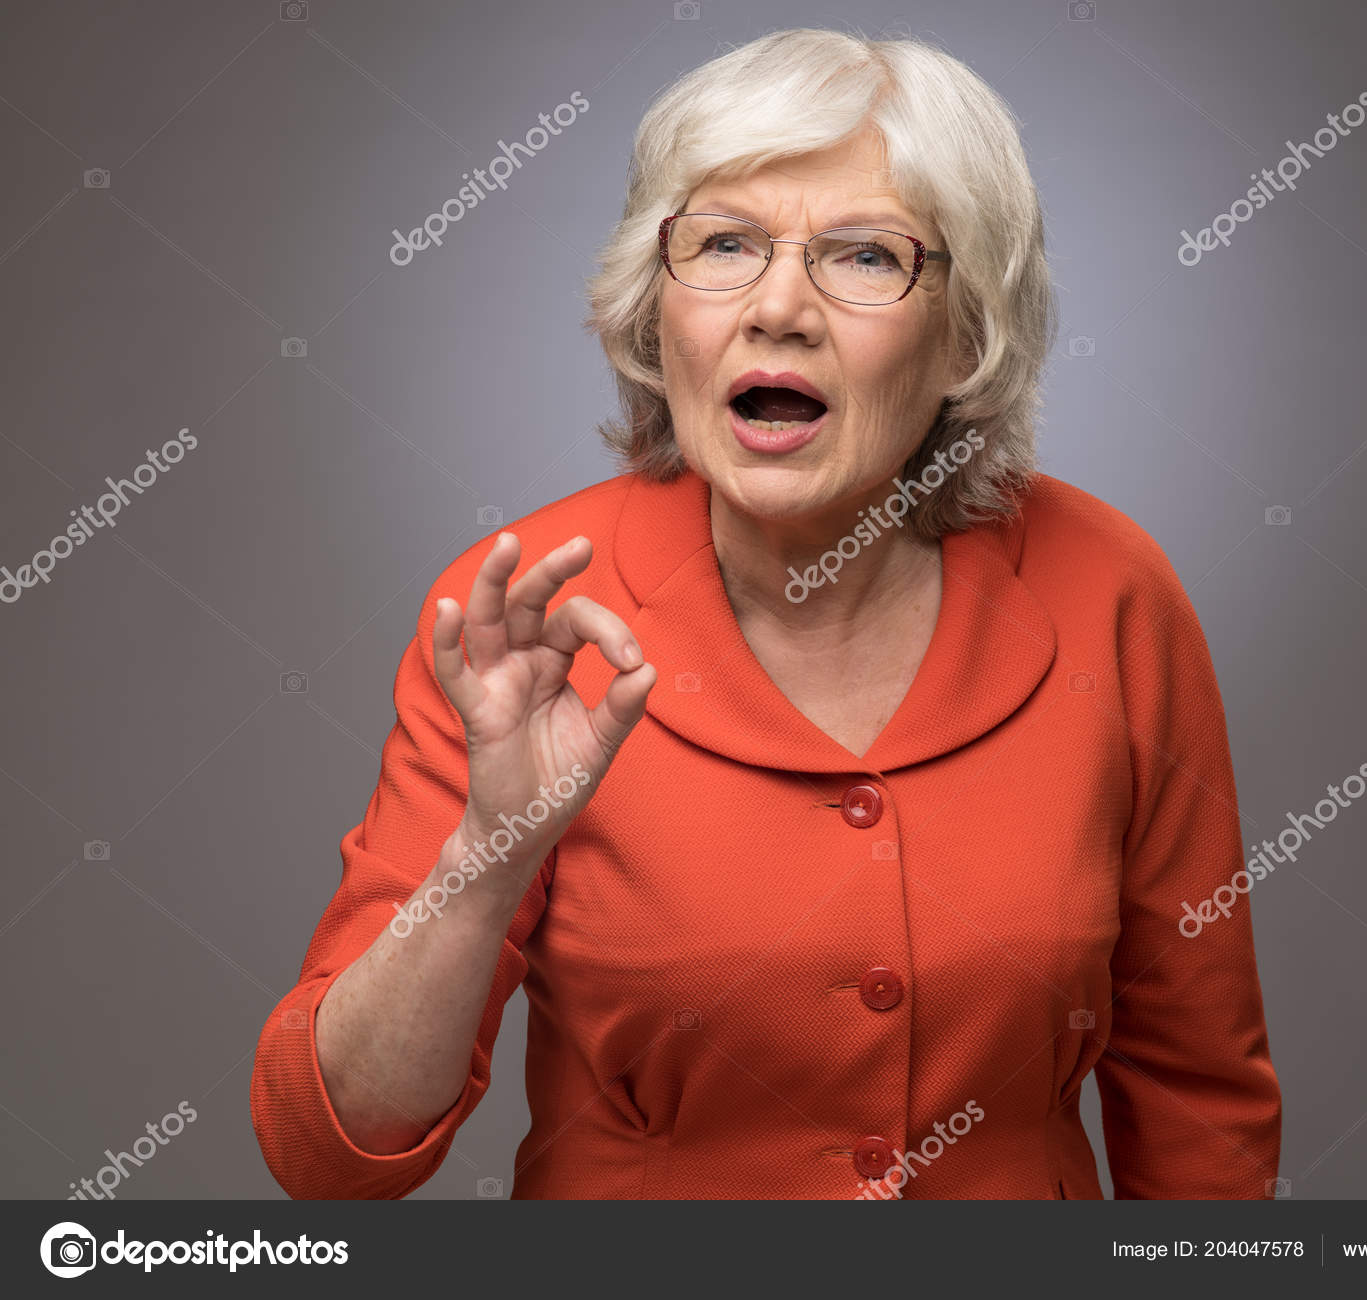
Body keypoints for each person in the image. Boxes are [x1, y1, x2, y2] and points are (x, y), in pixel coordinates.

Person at [250, 26, 1281, 1199]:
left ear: (965, 334)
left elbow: (1201, 1108)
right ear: (655, 311)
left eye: (863, 257)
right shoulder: (524, 609)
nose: (777, 307)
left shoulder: (1112, 592)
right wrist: (489, 857)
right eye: (724, 245)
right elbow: (328, 1154)